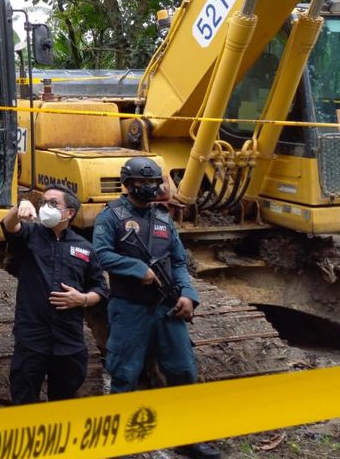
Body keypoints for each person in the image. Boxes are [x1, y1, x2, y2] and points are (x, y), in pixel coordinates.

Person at [93, 157, 220, 459]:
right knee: (124, 374)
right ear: (129, 184)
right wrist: (136, 268)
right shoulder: (111, 216)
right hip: (129, 307)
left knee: (184, 371)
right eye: (144, 183)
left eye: (154, 183)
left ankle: (186, 439)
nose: (151, 188)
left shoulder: (163, 219)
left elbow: (178, 262)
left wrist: (188, 295)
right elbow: (100, 254)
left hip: (167, 308)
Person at [0, 186, 107, 403]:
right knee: (24, 401)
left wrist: (83, 299)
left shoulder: (84, 248)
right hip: (32, 340)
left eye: (53, 203)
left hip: (68, 342)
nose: (46, 207)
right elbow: (9, 226)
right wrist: (19, 206)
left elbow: (100, 288)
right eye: (43, 202)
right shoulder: (30, 235)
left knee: (63, 402)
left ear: (69, 213)